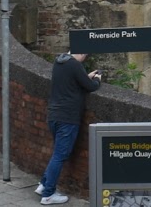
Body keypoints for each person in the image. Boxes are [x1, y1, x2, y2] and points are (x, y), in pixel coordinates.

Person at [37, 52, 102, 204]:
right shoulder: (74, 64)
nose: (84, 59)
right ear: (81, 53)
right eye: (85, 56)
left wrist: (86, 75)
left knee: (57, 154)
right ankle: (48, 195)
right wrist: (97, 80)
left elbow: (73, 82)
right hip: (68, 117)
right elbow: (90, 87)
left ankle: (43, 185)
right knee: (60, 155)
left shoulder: (59, 62)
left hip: (54, 115)